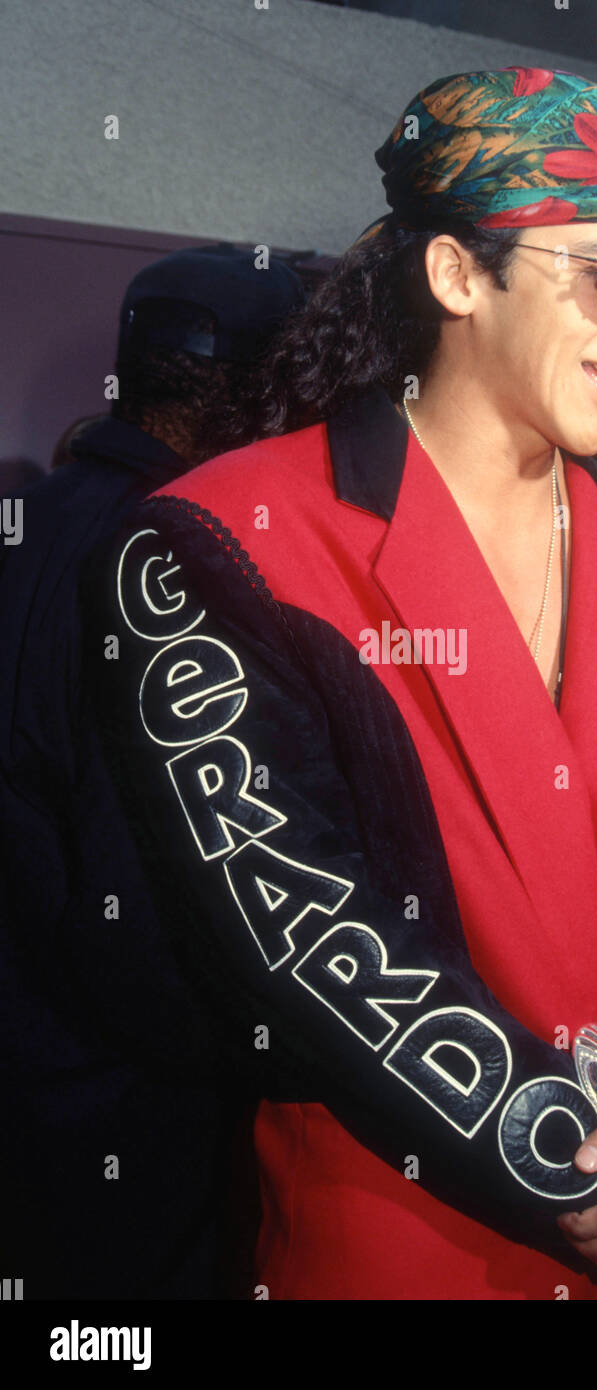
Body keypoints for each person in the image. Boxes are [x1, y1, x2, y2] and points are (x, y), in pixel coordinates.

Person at [87, 68, 597, 1301]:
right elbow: (298, 943)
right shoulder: (221, 545)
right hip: (411, 1242)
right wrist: (587, 1181)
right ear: (458, 275)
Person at [0, 244, 305, 1298]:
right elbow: (145, 902)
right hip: (133, 1110)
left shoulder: (24, 526)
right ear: (248, 390)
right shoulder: (183, 560)